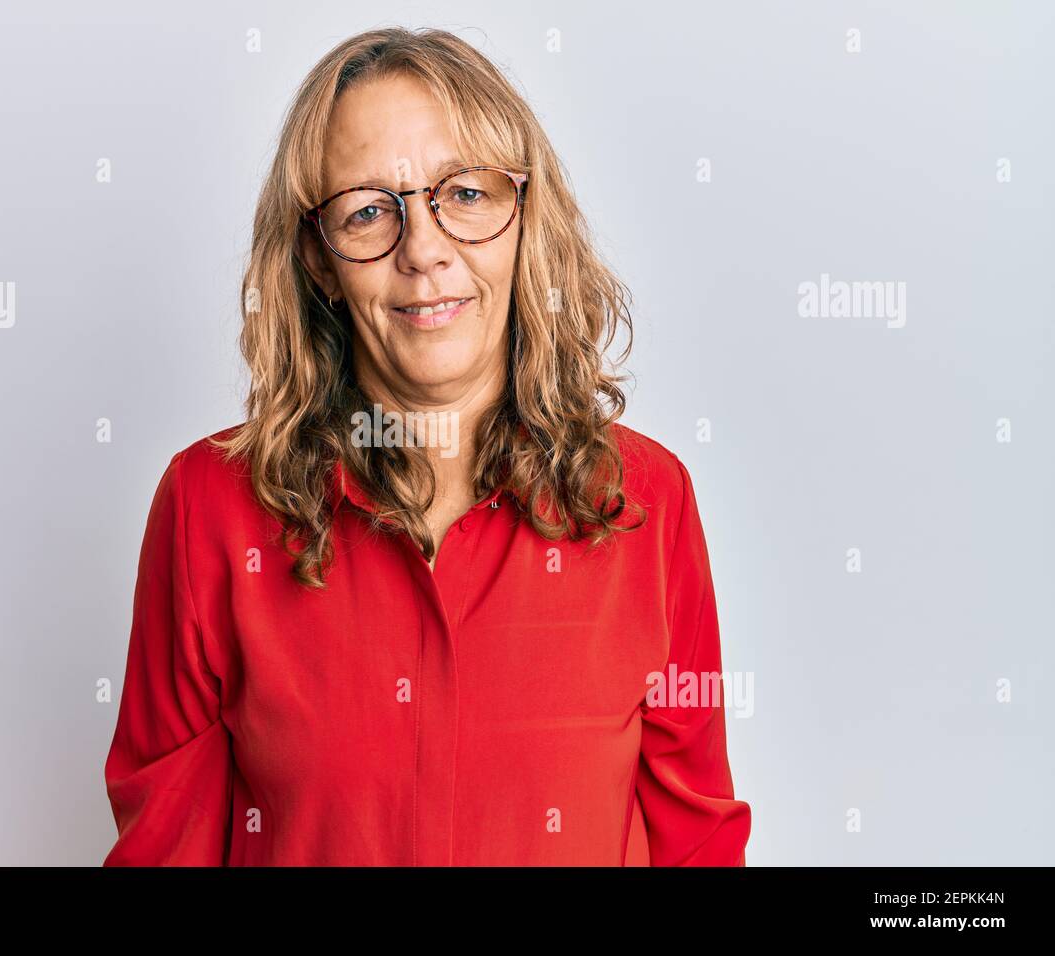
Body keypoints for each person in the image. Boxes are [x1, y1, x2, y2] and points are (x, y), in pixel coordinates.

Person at [102, 26, 750, 866]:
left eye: (467, 195)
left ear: (526, 218)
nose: (425, 250)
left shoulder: (650, 503)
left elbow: (696, 844)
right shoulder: (207, 509)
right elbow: (166, 852)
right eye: (370, 211)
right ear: (319, 260)